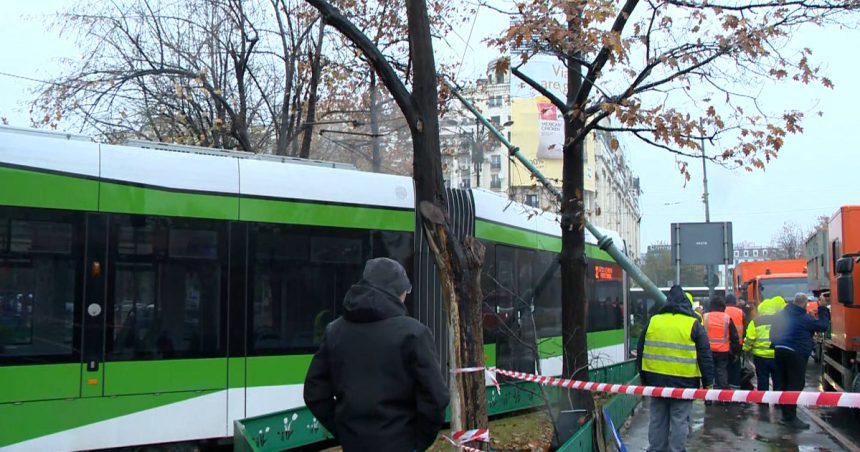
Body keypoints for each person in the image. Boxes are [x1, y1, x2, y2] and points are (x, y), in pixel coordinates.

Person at [303, 257, 450, 451]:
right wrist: (417, 441)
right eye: (406, 291)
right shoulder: (414, 333)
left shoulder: (334, 331)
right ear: (398, 292)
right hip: (401, 444)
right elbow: (436, 397)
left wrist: (343, 429)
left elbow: (314, 392)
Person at [637, 285, 715, 452]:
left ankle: (656, 449)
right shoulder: (693, 324)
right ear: (687, 304)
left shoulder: (653, 321)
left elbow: (640, 350)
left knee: (657, 419)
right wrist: (708, 383)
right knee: (680, 421)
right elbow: (705, 356)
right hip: (684, 383)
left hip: (655, 382)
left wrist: (643, 379)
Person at [770, 292, 830, 430]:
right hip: (795, 353)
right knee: (795, 385)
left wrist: (776, 344)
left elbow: (773, 332)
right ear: (804, 304)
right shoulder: (804, 317)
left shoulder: (781, 315)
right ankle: (790, 418)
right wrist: (822, 308)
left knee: (784, 384)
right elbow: (823, 326)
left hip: (779, 351)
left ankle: (786, 416)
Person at [743, 296, 786, 391]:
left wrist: (746, 348)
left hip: (760, 356)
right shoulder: (780, 321)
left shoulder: (755, 322)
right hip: (776, 354)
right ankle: (777, 400)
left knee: (762, 379)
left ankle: (763, 401)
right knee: (777, 379)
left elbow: (750, 338)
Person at [703, 296, 741, 390]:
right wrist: (736, 351)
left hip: (708, 350)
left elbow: (701, 334)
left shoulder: (705, 317)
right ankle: (724, 395)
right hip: (723, 350)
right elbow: (734, 336)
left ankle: (708, 395)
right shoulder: (727, 318)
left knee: (709, 372)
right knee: (722, 371)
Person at [724, 294, 745, 389]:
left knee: (724, 368)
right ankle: (735, 388)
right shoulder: (741, 312)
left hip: (724, 344)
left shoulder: (722, 311)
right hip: (738, 344)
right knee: (736, 367)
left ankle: (724, 387)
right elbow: (745, 329)